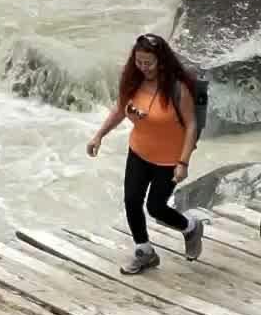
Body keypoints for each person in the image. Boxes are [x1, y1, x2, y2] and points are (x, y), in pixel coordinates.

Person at [88, 33, 206, 277]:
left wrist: (183, 162)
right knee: (131, 201)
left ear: (161, 61)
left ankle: (191, 228)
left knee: (156, 207)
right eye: (139, 62)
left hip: (169, 159)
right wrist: (99, 135)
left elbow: (191, 125)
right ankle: (144, 251)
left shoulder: (176, 88)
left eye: (149, 63)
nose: (144, 67)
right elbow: (120, 110)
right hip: (139, 152)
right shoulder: (132, 81)